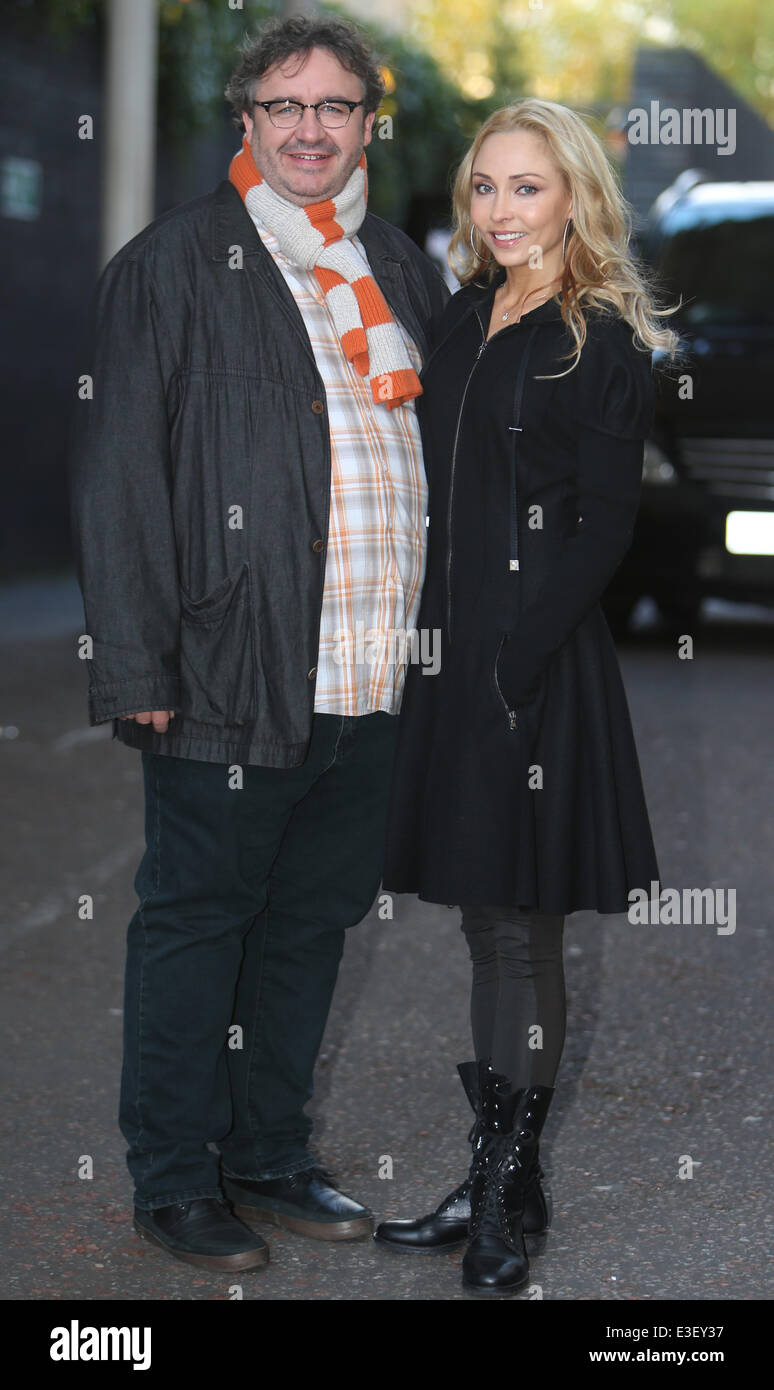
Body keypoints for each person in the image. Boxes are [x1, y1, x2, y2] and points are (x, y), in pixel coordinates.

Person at [68, 15, 448, 1272]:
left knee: (310, 924)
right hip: (233, 666)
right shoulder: (174, 266)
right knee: (197, 921)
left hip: (373, 666)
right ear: (246, 120)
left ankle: (270, 1154)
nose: (309, 129)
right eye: (284, 106)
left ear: (365, 126)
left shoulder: (397, 265)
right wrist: (139, 669)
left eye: (335, 107)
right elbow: (120, 480)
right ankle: (176, 1176)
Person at [374, 99, 678, 1296]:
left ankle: (504, 1187)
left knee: (519, 925)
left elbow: (605, 524)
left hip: (531, 666)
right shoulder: (457, 319)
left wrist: (516, 663)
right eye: (487, 188)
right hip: (448, 656)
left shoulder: (597, 333)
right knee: (481, 921)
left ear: (576, 198)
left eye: (528, 188)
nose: (503, 210)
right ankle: (505, 1172)